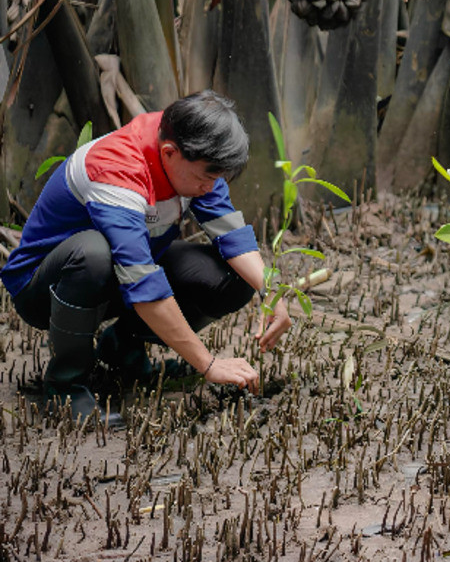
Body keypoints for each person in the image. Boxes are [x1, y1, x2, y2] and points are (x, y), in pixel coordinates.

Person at [2, 91, 292, 428]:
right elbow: (142, 284)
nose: (209, 187)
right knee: (94, 253)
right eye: (205, 179)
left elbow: (232, 235)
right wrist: (208, 364)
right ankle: (65, 384)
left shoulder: (192, 153)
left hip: (121, 273)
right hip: (46, 289)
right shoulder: (117, 168)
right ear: (169, 153)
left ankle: (122, 348)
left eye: (216, 180)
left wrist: (272, 291)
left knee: (237, 278)